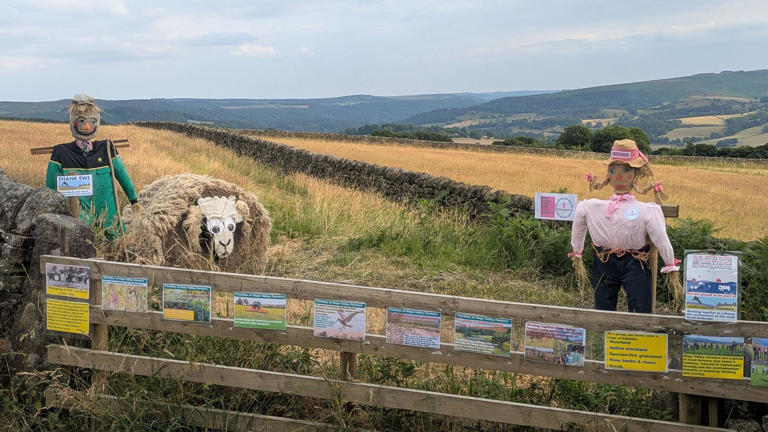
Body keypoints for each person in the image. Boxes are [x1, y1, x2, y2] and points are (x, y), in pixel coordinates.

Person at [569, 139, 682, 313]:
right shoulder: (591, 206)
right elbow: (579, 222)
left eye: (626, 170)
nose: (619, 176)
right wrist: (577, 251)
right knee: (603, 303)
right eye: (613, 170)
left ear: (636, 174)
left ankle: (638, 335)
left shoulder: (646, 210)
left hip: (635, 260)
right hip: (604, 257)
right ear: (608, 174)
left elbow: (660, 237)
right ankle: (603, 336)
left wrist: (669, 262)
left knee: (640, 303)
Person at [45, 94, 140, 239]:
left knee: (118, 239)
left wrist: (133, 200)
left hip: (107, 208)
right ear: (73, 122)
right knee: (81, 240)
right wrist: (49, 208)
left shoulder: (107, 149)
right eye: (81, 121)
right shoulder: (61, 153)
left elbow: (122, 174)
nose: (87, 126)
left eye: (92, 121)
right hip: (79, 212)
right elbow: (50, 186)